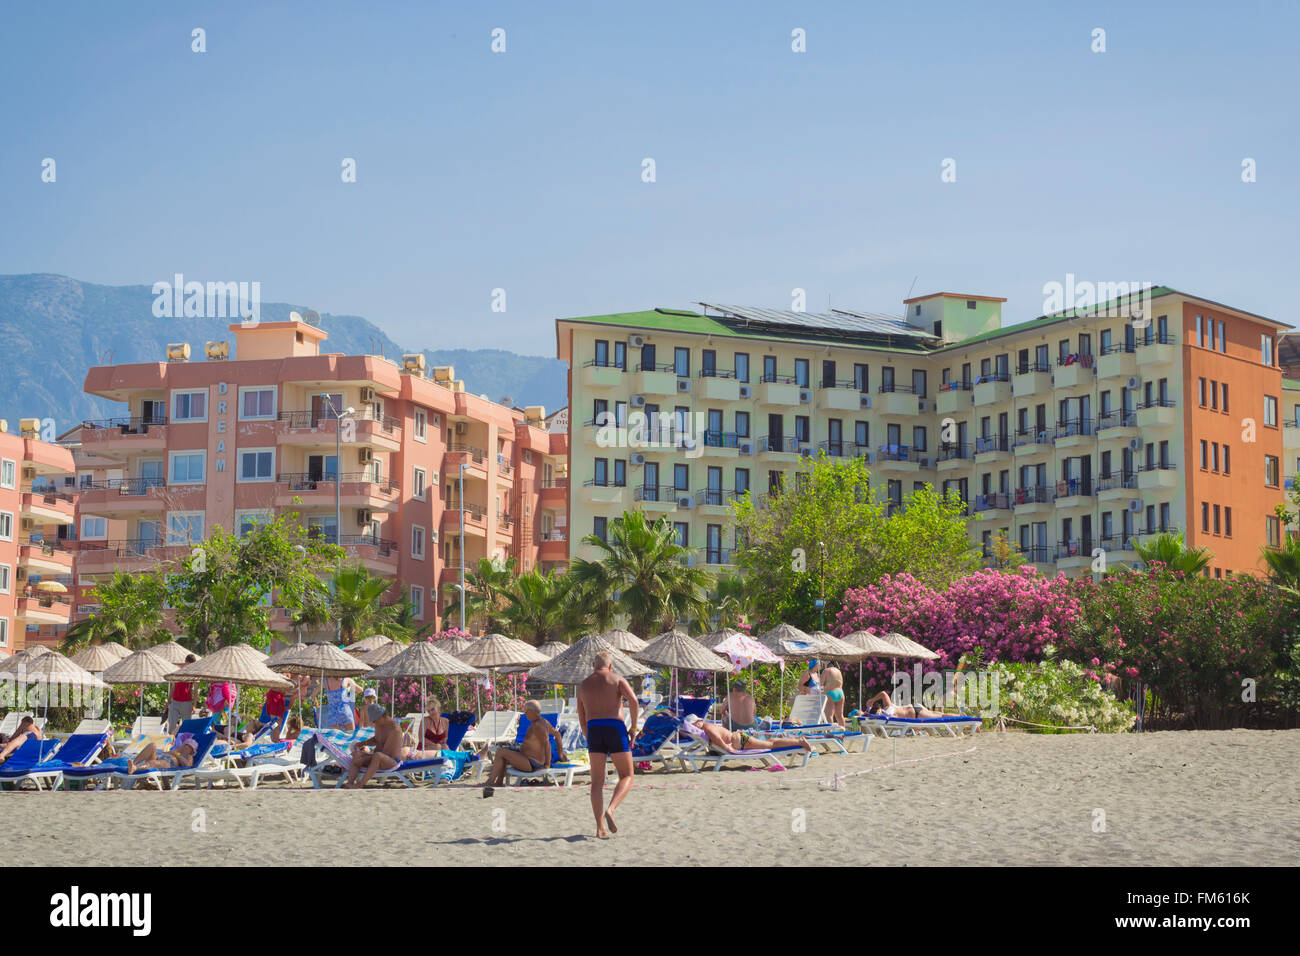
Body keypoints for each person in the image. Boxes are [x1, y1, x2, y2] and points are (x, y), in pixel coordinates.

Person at [577, 652, 638, 838]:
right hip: (614, 726)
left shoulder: (584, 685)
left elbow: (581, 716)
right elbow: (634, 702)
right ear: (610, 666)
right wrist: (633, 729)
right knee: (627, 775)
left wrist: (589, 735)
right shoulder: (617, 679)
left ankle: (599, 828)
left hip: (594, 728)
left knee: (596, 782)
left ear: (594, 666)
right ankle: (611, 809)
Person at [482, 700, 565, 795]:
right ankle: (498, 782)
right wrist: (560, 752)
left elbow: (547, 745)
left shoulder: (539, 726)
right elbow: (557, 734)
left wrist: (546, 766)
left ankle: (490, 782)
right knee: (503, 753)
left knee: (501, 752)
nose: (525, 714)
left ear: (533, 712)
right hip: (528, 758)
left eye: (526, 711)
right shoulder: (543, 722)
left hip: (532, 763)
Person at [344, 704, 404, 788]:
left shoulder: (394, 730)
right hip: (377, 758)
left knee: (377, 756)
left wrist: (363, 760)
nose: (373, 722)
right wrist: (360, 744)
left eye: (374, 720)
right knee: (356, 755)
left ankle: (360, 784)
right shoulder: (379, 724)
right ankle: (350, 783)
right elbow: (376, 739)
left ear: (382, 716)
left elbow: (385, 753)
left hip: (392, 761)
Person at [695, 718, 812, 754]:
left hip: (739, 740)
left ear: (699, 721)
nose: (696, 726)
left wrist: (727, 748)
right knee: (770, 742)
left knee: (770, 745)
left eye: (695, 723)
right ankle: (793, 740)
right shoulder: (708, 725)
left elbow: (717, 738)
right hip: (739, 738)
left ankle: (798, 742)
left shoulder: (707, 727)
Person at [127, 733, 200, 773]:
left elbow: (188, 765)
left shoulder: (189, 755)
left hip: (168, 763)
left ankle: (135, 768)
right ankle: (133, 764)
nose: (188, 749)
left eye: (191, 749)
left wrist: (176, 755)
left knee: (154, 763)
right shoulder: (174, 748)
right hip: (159, 756)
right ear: (184, 744)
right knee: (152, 745)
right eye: (187, 746)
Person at [866, 690, 949, 719]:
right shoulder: (888, 706)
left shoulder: (889, 715)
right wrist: (872, 700)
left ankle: (960, 717)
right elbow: (883, 693)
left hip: (915, 713)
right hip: (914, 707)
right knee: (939, 714)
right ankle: (959, 716)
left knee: (940, 716)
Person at [168, 654, 197, 733]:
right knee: (172, 725)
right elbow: (173, 687)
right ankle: (171, 742)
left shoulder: (193, 674)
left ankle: (183, 742)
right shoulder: (178, 671)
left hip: (186, 702)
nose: (190, 666)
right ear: (185, 662)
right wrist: (168, 701)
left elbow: (195, 690)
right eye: (189, 664)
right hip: (175, 701)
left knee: (186, 726)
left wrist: (194, 705)